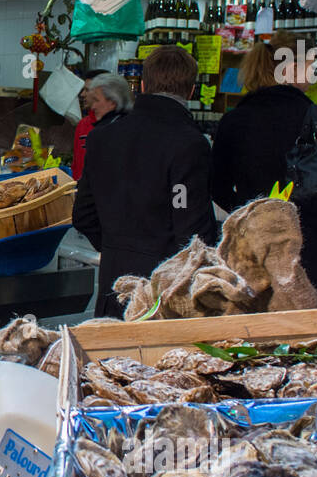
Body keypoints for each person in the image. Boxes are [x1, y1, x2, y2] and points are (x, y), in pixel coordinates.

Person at [72, 45, 218, 319]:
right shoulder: (189, 143)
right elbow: (191, 229)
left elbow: (83, 215)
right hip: (162, 296)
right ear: (191, 91)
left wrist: (119, 249)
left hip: (112, 288)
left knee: (108, 360)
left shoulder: (102, 137)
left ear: (142, 85)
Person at [210, 30, 317, 300]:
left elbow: (217, 186)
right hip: (311, 248)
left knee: (256, 330)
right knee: (315, 333)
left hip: (254, 248)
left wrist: (251, 212)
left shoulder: (234, 120)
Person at [72, 71, 133, 178]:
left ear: (112, 101)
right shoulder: (83, 124)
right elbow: (77, 164)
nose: (83, 94)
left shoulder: (126, 131)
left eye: (96, 99)